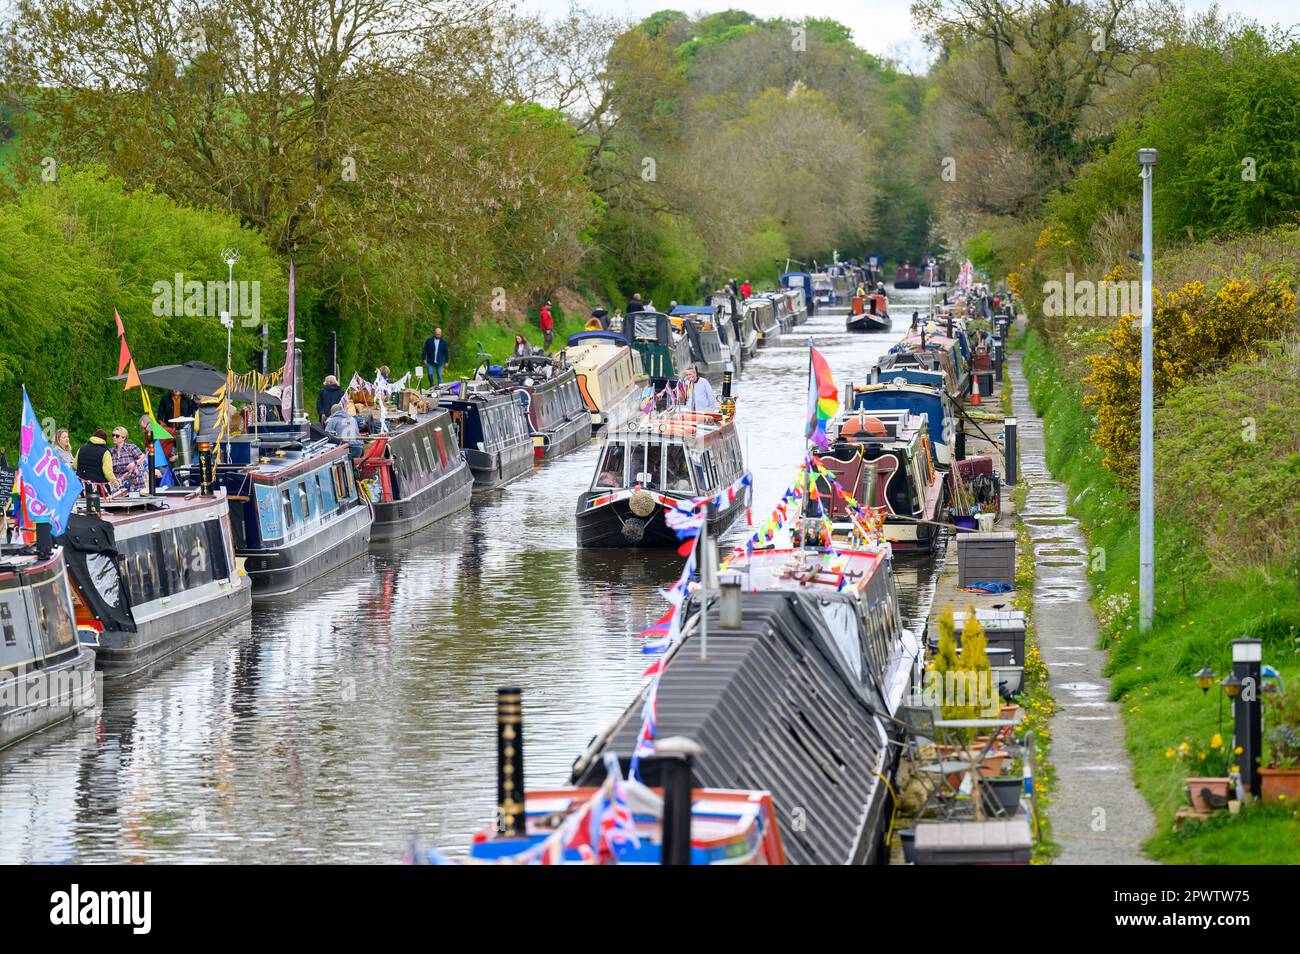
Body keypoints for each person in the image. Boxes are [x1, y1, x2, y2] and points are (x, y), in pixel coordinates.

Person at [108, 426, 148, 492]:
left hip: (134, 484)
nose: (114, 437)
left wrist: (134, 463)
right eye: (113, 435)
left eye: (117, 436)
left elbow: (144, 458)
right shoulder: (111, 451)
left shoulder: (131, 448)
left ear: (123, 438)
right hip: (119, 486)